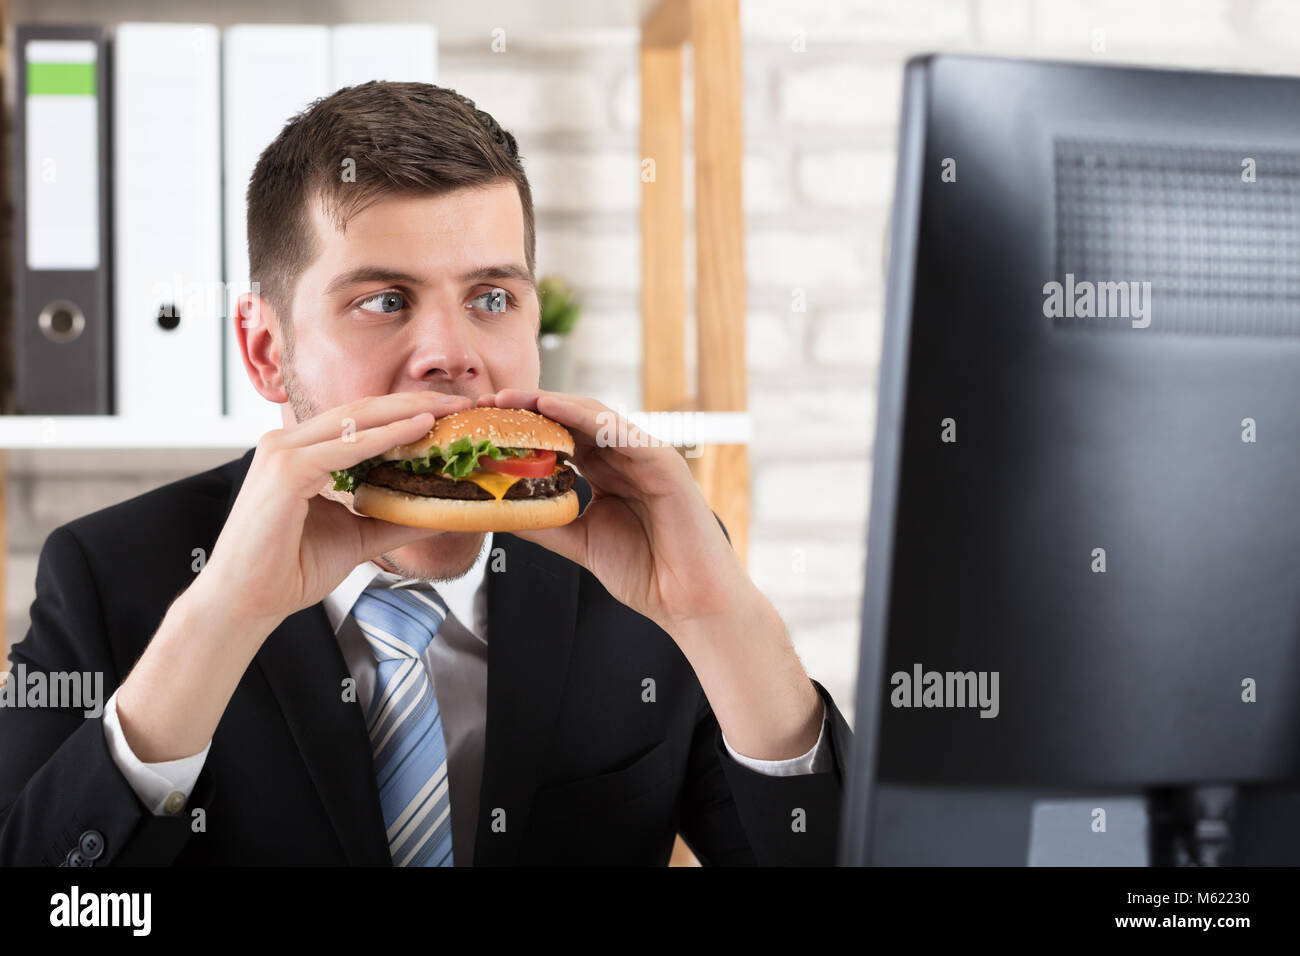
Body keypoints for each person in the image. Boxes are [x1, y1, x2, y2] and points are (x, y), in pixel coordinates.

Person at [0, 81, 852, 866]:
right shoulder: (109, 578)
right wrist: (219, 623)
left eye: (491, 298)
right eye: (384, 301)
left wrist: (724, 623)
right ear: (266, 351)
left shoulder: (650, 575)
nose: (452, 357)